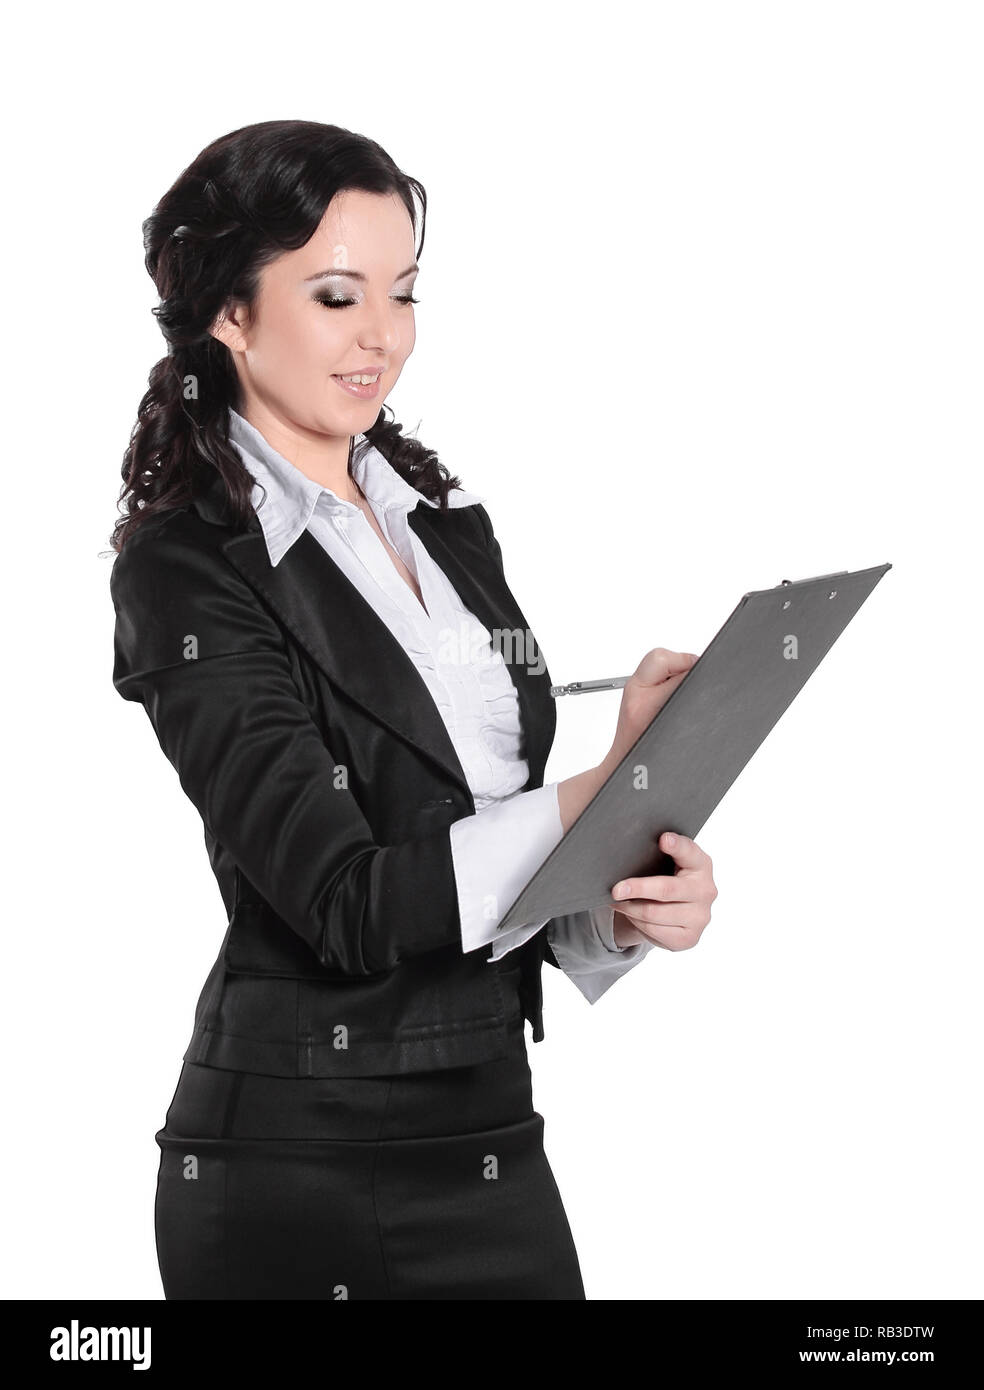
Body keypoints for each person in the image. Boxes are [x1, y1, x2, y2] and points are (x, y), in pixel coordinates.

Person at [108, 119, 718, 1300]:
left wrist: (622, 886)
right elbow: (346, 903)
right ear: (229, 313)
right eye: (336, 295)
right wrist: (599, 794)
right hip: (302, 1157)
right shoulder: (187, 572)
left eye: (403, 293)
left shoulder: (447, 532)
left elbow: (493, 852)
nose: (382, 336)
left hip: (486, 1123)